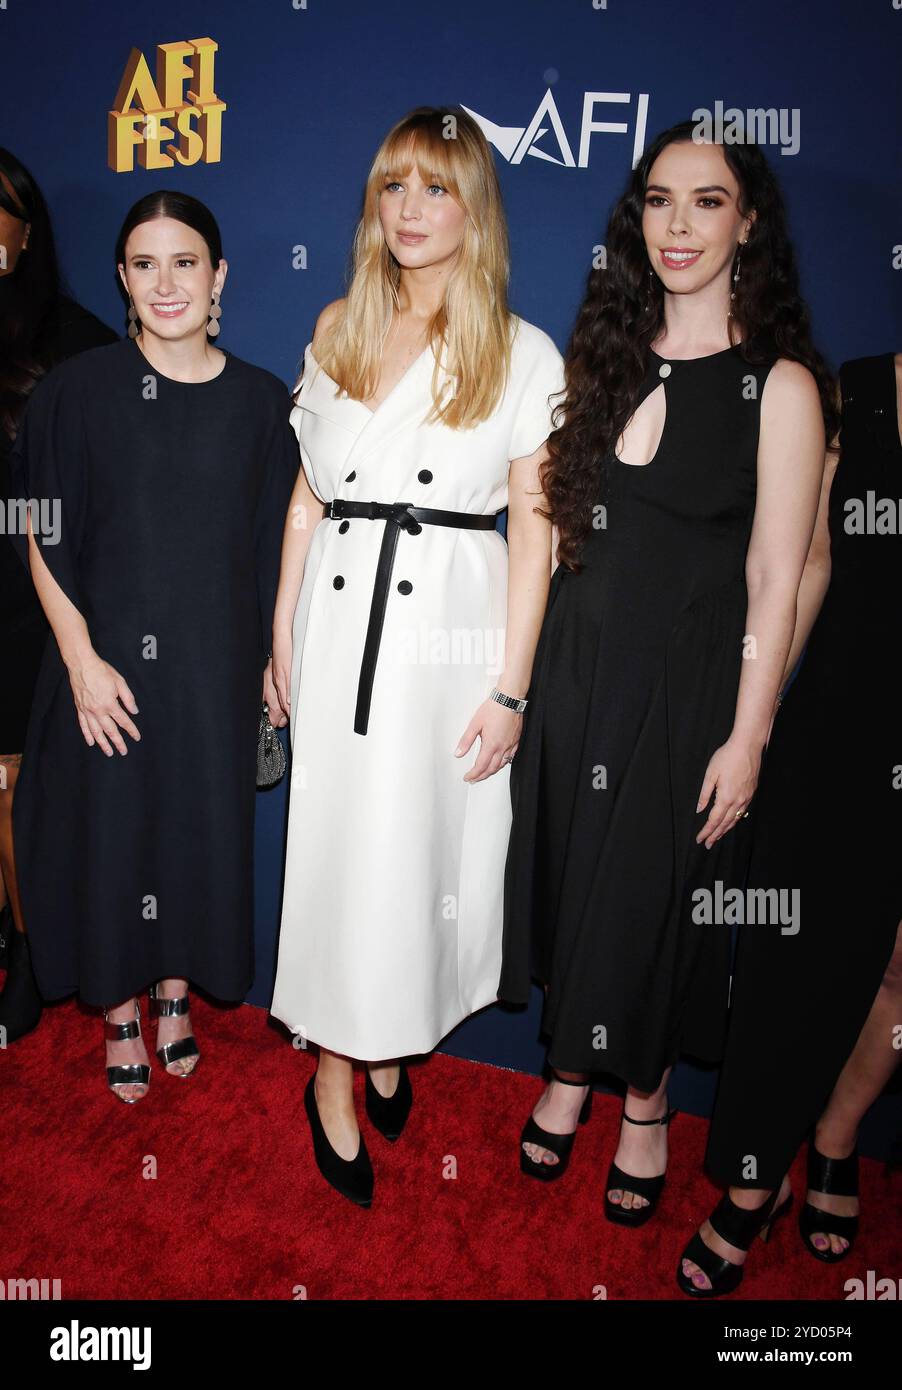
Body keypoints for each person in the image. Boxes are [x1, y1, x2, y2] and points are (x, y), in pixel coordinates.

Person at [499, 120, 834, 1235]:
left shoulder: (775, 384)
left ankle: (640, 1105)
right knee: (577, 883)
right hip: (576, 678)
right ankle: (567, 1072)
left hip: (687, 690)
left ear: (747, 224)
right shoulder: (599, 357)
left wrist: (748, 736)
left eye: (705, 201)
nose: (677, 225)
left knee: (653, 906)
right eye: (656, 201)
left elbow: (774, 575)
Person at [269, 106, 566, 1206]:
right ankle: (334, 1073)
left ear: (473, 206)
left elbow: (533, 531)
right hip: (341, 622)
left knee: (416, 853)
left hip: (448, 629)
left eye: (435, 188)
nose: (409, 209)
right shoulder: (339, 322)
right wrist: (279, 634)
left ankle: (389, 1029)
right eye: (393, 186)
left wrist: (510, 686)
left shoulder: (521, 349)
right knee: (342, 851)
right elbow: (306, 502)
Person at [7, 191, 298, 1100]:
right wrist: (82, 662)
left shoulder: (261, 401)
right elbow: (34, 526)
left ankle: (174, 996)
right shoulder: (76, 389)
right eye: (144, 264)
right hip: (105, 668)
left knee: (194, 838)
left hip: (214, 672)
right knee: (114, 836)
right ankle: (119, 1009)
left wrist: (269, 664)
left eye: (185, 263)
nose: (165, 283)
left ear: (220, 277)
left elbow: (270, 543)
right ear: (123, 280)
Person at [679, 351, 902, 1295]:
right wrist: (755, 725)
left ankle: (837, 1138)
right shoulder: (855, 390)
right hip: (846, 721)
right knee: (796, 959)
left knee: (897, 967)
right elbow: (805, 559)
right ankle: (756, 1171)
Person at [0, 147, 117, 1043]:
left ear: (25, 227)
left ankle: (38, 959)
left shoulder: (73, 341)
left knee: (22, 785)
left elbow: (71, 498)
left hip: (34, 589)